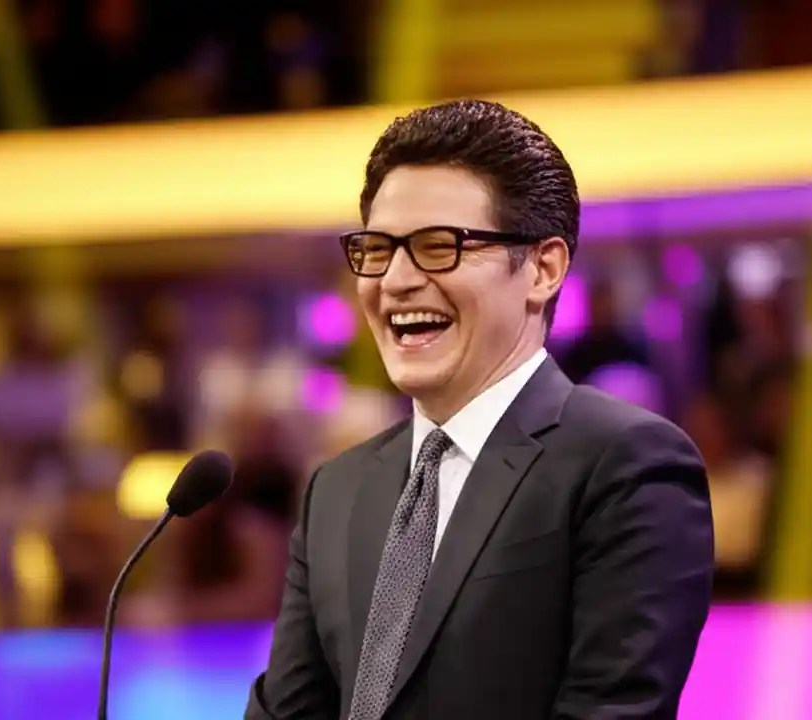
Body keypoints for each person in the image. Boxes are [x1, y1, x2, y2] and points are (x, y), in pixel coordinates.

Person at [246, 100, 713, 720]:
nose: (396, 280)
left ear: (543, 269)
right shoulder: (337, 489)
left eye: (438, 246)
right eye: (378, 249)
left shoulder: (626, 465)